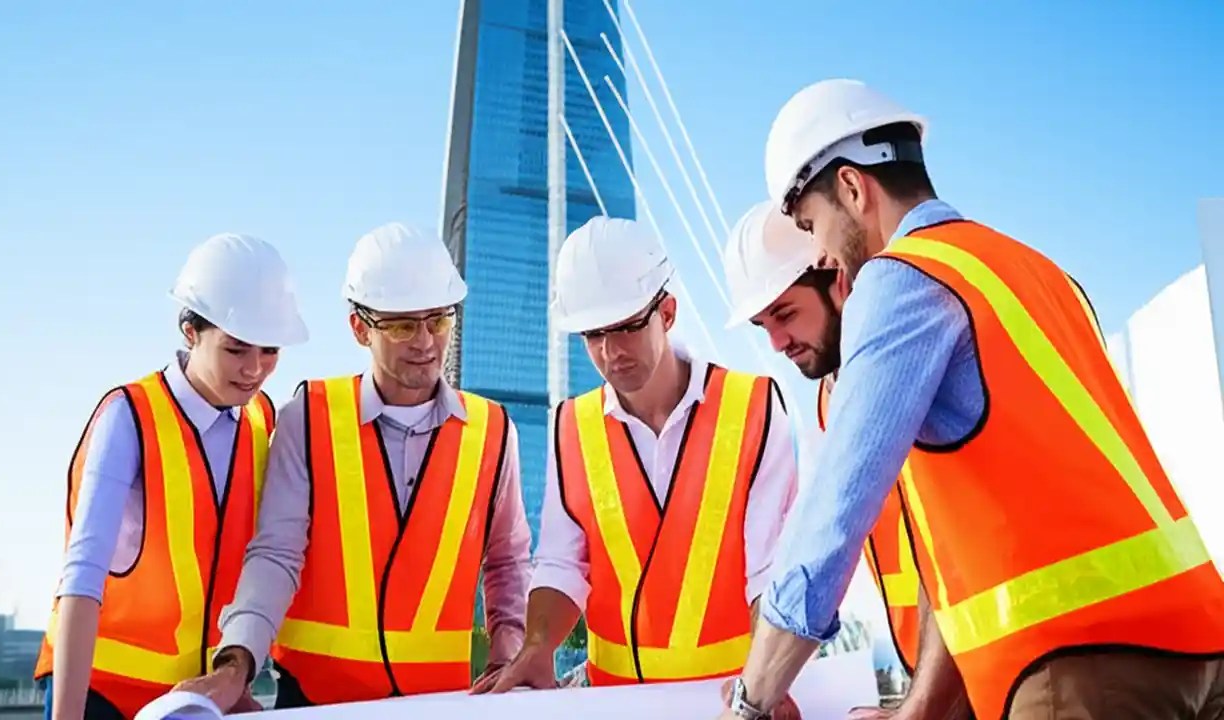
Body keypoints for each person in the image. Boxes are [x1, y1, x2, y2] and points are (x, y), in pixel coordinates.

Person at [714, 78, 1224, 720]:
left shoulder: (900, 279)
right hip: (1201, 638)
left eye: (813, 225)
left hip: (1076, 664)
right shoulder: (1035, 269)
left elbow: (831, 518)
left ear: (852, 187)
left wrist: (750, 700)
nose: (819, 252)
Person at [172, 222, 532, 709]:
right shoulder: (309, 416)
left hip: (440, 705)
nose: (426, 342)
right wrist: (235, 664)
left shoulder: (493, 430)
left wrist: (509, 654)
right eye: (403, 325)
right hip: (316, 704)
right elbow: (276, 553)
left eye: (439, 321)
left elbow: (507, 562)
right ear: (360, 328)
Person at [473, 216, 801, 717]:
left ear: (667, 312)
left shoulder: (752, 406)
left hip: (729, 701)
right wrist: (537, 646)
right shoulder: (571, 426)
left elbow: (770, 570)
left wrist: (764, 684)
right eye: (593, 334)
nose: (610, 352)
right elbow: (563, 561)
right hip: (615, 702)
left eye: (626, 327)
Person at [33, 233, 310, 720]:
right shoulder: (130, 417)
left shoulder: (262, 419)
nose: (254, 369)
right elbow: (81, 579)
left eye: (270, 350)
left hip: (191, 699)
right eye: (236, 349)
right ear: (190, 331)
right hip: (99, 692)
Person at [723, 201, 972, 720]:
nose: (776, 343)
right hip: (942, 680)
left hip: (993, 672)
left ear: (836, 277)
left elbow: (955, 554)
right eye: (761, 325)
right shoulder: (827, 402)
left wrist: (921, 708)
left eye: (786, 314)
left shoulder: (909, 352)